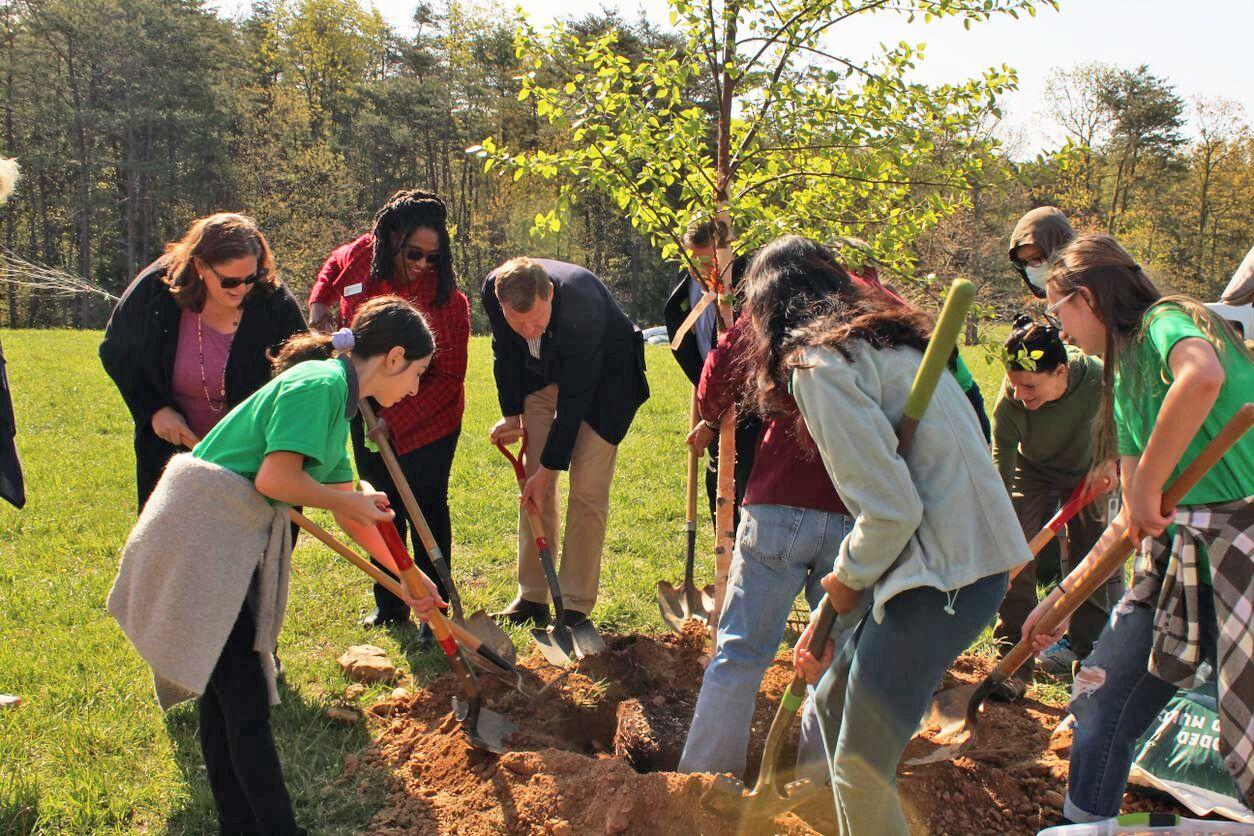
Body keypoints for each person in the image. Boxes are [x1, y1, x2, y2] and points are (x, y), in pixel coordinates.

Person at [107, 297, 445, 835]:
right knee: (242, 700)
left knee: (226, 698)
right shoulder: (320, 387)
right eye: (419, 373)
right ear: (395, 357)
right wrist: (351, 501)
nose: (416, 387)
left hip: (215, 535)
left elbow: (346, 506)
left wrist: (408, 578)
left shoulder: (338, 398)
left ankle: (240, 824)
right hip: (200, 529)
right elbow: (275, 482)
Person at [752, 236, 1026, 835]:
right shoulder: (888, 345)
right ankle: (830, 821)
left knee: (860, 769)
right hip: (954, 565)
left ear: (770, 312)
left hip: (944, 578)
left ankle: (856, 815)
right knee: (827, 702)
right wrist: (835, 608)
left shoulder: (817, 366)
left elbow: (891, 513)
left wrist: (843, 589)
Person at [1021, 234, 1254, 823]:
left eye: (1060, 312)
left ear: (1090, 298)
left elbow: (1201, 377)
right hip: (1173, 560)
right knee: (1100, 703)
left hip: (1241, 545)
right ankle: (1083, 827)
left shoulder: (1167, 320)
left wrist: (1149, 480)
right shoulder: (1121, 379)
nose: (1062, 332)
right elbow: (1130, 519)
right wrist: (1059, 602)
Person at [677, 261, 855, 783]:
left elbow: (713, 388)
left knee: (740, 651)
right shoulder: (860, 324)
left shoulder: (767, 322)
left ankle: (706, 780)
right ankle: (819, 786)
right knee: (839, 658)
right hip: (856, 512)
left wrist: (714, 414)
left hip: (777, 506)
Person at [308, 190, 470, 631]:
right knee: (381, 506)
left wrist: (394, 420)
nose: (421, 265)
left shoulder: (449, 303)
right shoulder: (365, 257)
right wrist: (321, 299)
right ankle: (392, 602)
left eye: (432, 258)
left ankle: (433, 608)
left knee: (426, 508)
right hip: (368, 411)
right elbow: (335, 263)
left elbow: (449, 377)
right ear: (391, 239)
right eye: (413, 253)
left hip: (430, 420)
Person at [100, 213, 307, 511]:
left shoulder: (273, 301)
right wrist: (154, 410)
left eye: (251, 277)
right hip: (172, 456)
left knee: (248, 553)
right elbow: (116, 351)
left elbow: (301, 372)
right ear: (199, 266)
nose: (242, 289)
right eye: (229, 281)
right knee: (175, 548)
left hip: (252, 459)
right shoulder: (156, 290)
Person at [483, 257, 649, 628]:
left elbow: (576, 399)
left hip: (605, 386)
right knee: (533, 489)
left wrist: (549, 468)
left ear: (552, 294)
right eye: (517, 322)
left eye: (536, 321)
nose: (528, 331)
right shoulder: (495, 291)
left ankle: (574, 603)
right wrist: (512, 414)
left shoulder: (582, 303)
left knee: (586, 491)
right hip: (542, 379)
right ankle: (533, 596)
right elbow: (504, 352)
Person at [988, 316, 1121, 699]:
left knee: (1091, 563)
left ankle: (1087, 658)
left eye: (1029, 385)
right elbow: (1002, 467)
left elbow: (1129, 420)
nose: (1019, 394)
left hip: (1090, 472)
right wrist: (1003, 528)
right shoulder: (1010, 404)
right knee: (1018, 554)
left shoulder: (1097, 379)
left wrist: (1111, 459)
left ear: (1061, 371)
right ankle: (1013, 661)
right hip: (1032, 472)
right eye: (1013, 384)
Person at [663, 216, 759, 525]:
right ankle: (725, 564)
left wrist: (713, 419)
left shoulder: (751, 288)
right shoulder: (686, 289)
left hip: (752, 409)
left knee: (745, 487)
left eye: (707, 262)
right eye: (693, 261)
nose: (699, 271)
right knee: (717, 484)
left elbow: (750, 363)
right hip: (713, 404)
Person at [1009, 206, 1075, 298]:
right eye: (1022, 263)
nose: (1030, 269)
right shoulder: (1058, 305)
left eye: (1036, 258)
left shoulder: (1097, 293)